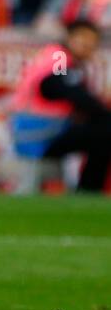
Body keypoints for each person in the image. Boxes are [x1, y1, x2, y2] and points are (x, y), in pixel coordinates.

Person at [10, 18, 111, 193]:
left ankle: (89, 190)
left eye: (91, 42)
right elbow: (56, 84)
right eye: (82, 38)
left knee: (103, 128)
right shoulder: (59, 56)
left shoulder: (67, 61)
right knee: (105, 130)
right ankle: (88, 191)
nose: (87, 45)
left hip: (48, 128)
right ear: (69, 37)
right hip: (39, 131)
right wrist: (99, 109)